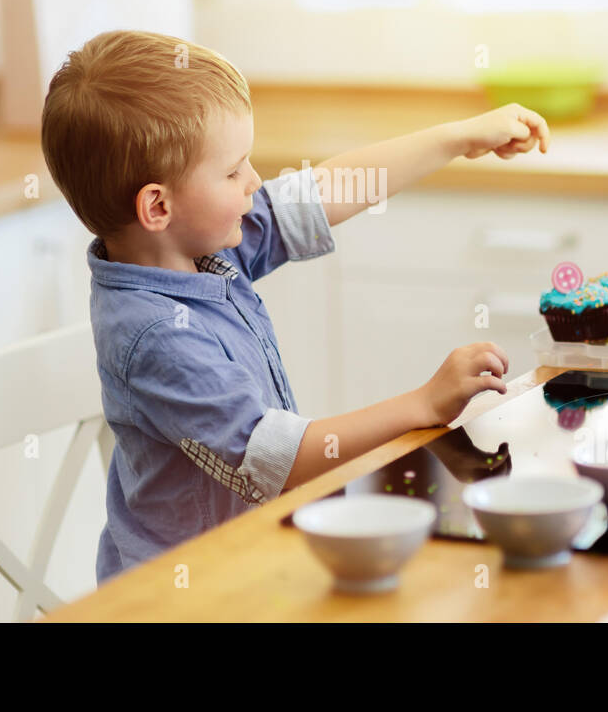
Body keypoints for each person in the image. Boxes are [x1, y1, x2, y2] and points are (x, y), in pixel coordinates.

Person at [39, 30, 550, 584]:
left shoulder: (190, 252)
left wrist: (458, 138)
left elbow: (323, 192)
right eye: (233, 171)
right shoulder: (157, 334)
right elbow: (277, 461)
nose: (254, 180)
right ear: (158, 205)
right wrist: (424, 403)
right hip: (187, 597)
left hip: (254, 567)